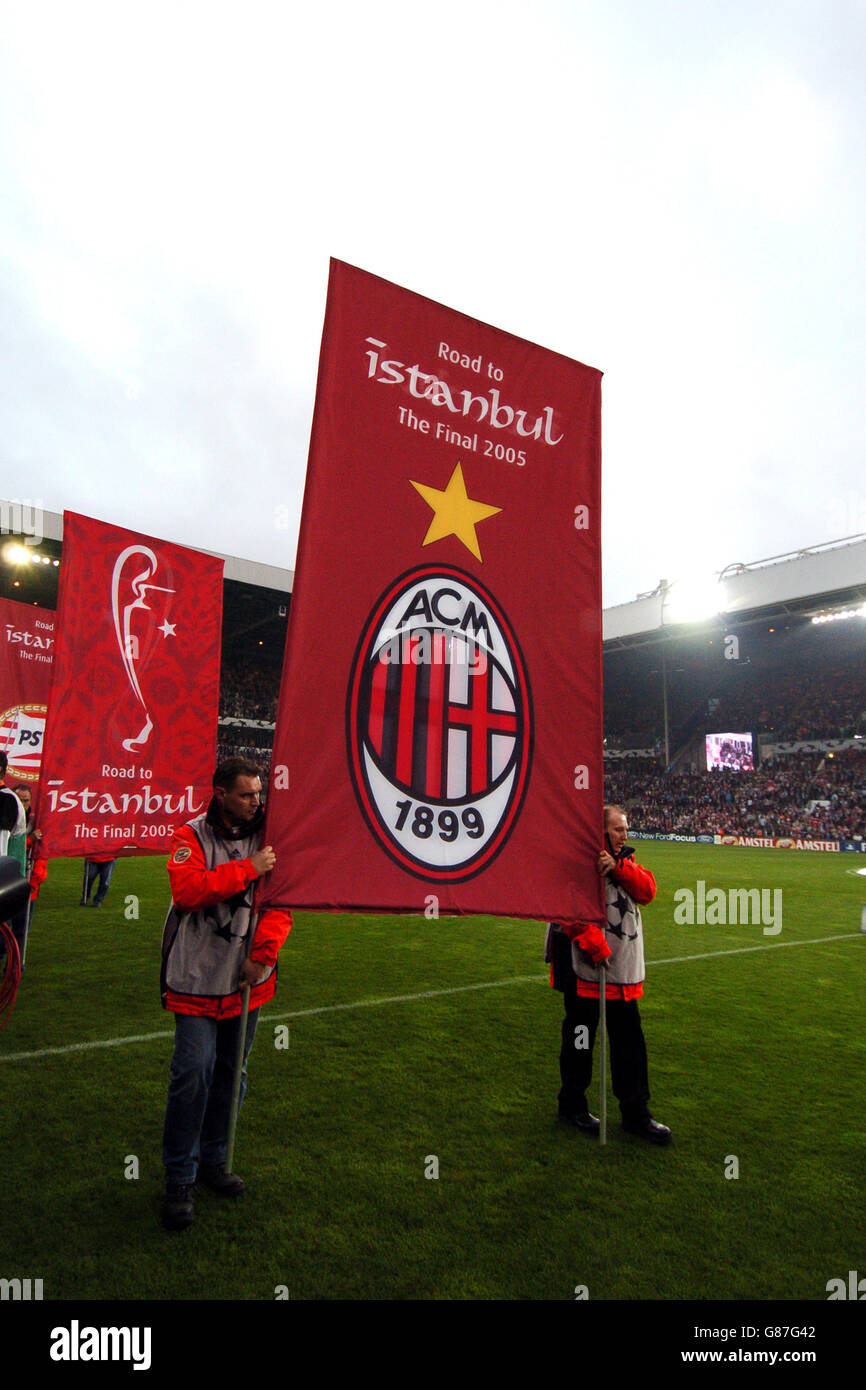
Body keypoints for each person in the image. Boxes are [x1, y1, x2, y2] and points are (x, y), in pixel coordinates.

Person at [160, 756, 292, 1230]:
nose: (256, 802)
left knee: (231, 1074)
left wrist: (264, 956)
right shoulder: (188, 836)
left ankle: (215, 1161)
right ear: (220, 793)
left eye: (259, 793)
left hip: (245, 980)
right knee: (193, 1073)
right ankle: (180, 1175)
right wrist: (250, 868)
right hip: (196, 976)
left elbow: (281, 904)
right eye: (246, 794)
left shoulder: (271, 837)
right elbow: (189, 892)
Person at [545, 804, 671, 1145]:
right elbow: (567, 908)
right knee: (580, 1038)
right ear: (599, 831)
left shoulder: (622, 862)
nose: (625, 835)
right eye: (618, 829)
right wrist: (595, 946)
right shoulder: (576, 862)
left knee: (629, 1042)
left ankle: (635, 1113)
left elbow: (647, 891)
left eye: (625, 829)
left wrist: (616, 869)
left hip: (621, 973)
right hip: (586, 970)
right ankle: (572, 1105)